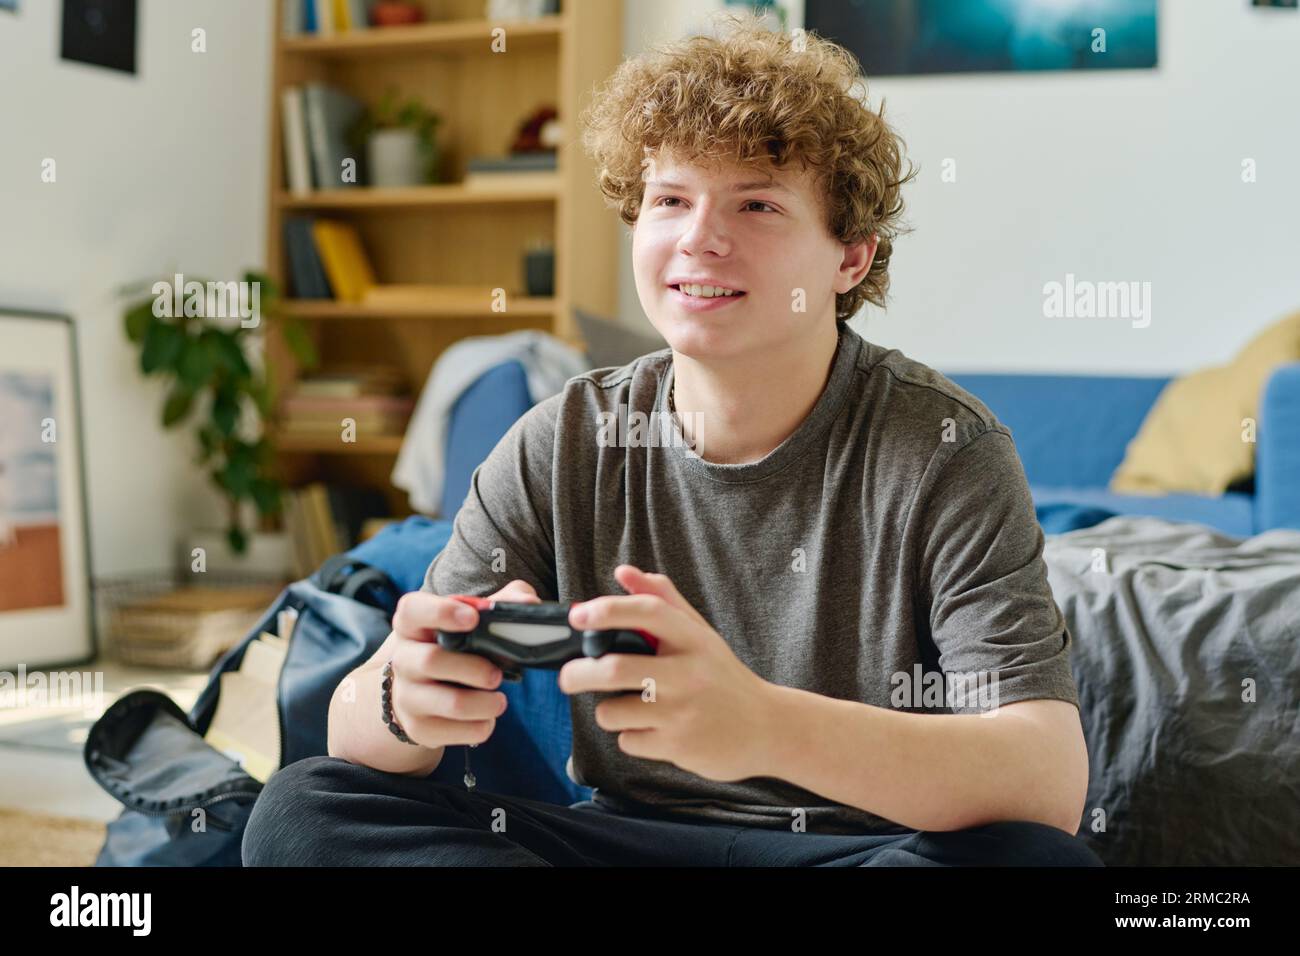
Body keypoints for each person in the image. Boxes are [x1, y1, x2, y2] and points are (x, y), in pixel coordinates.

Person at [244, 12, 1102, 867]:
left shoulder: (947, 446)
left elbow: (1046, 783)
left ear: (849, 260)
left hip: (858, 853)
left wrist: (763, 727)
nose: (699, 238)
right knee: (303, 809)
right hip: (619, 840)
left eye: (757, 203)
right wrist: (402, 700)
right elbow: (360, 729)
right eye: (670, 201)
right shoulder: (564, 439)